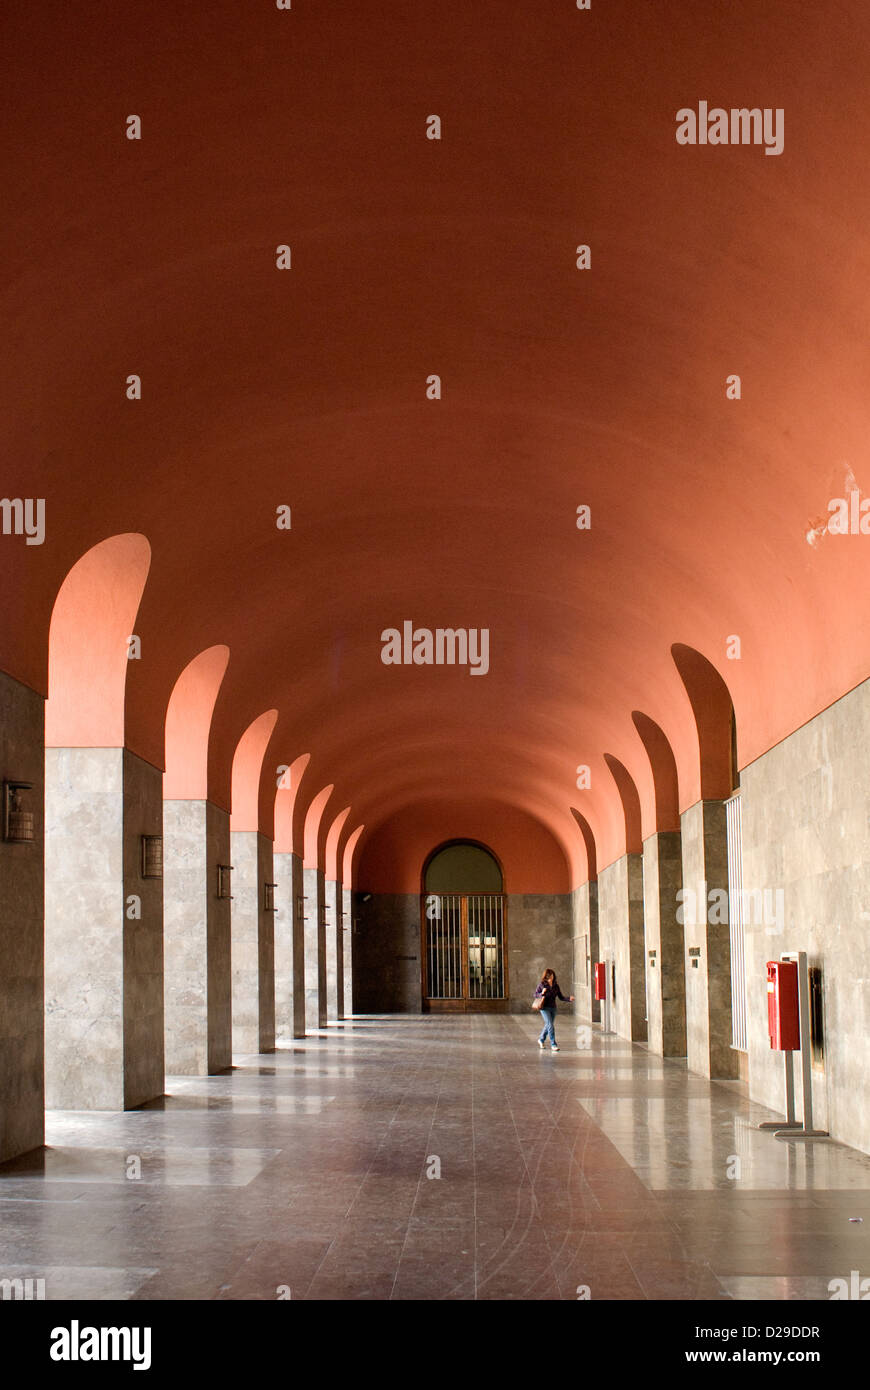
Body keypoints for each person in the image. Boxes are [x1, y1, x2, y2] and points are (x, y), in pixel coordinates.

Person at [534, 968, 574, 1052]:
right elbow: (535, 994)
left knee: (549, 1024)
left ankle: (541, 1039)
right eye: (549, 975)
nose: (551, 977)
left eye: (552, 975)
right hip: (544, 1007)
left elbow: (561, 997)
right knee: (550, 1025)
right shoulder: (542, 984)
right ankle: (553, 1044)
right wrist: (542, 993)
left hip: (553, 1008)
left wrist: (569, 999)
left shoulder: (556, 985)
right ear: (546, 976)